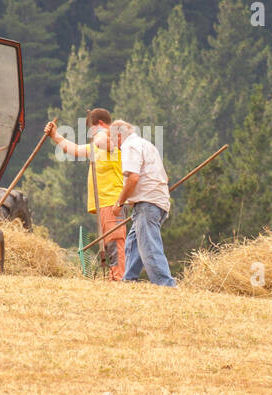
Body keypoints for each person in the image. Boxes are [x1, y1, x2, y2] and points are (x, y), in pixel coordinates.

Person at [43, 109, 126, 280]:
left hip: (113, 203)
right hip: (102, 204)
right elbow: (74, 149)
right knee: (109, 242)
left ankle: (118, 277)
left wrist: (101, 133)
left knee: (115, 241)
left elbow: (103, 139)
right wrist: (55, 135)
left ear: (101, 125)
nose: (92, 133)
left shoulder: (114, 144)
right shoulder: (96, 148)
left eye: (92, 129)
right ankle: (114, 276)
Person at [111, 120, 176, 287]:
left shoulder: (129, 146)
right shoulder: (147, 145)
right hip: (157, 202)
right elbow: (165, 178)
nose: (114, 145)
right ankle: (129, 280)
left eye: (113, 139)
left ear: (119, 135)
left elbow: (133, 177)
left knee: (149, 247)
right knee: (133, 242)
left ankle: (166, 285)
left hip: (147, 204)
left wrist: (119, 203)